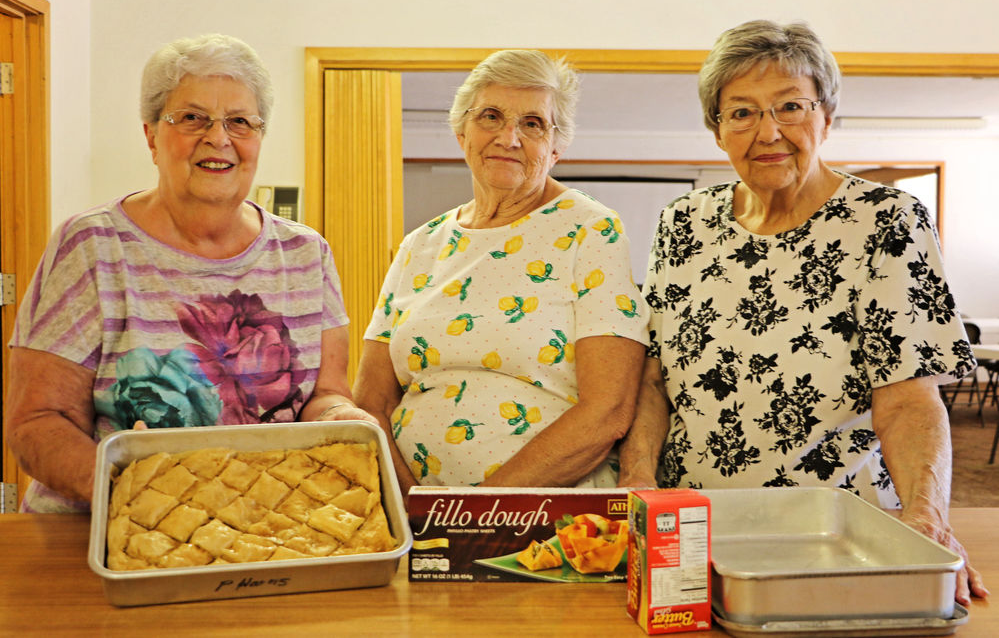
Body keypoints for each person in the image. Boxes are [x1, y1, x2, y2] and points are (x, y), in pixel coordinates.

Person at [617, 20, 988, 605]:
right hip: (690, 529)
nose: (768, 131)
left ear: (826, 116)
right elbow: (653, 375)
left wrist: (926, 517)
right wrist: (637, 482)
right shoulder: (683, 223)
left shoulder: (885, 221)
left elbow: (910, 397)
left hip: (837, 529)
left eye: (790, 106)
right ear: (717, 130)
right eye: (741, 112)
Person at [7, 33, 373, 513]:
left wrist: (346, 419)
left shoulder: (306, 252)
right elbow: (36, 421)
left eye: (240, 121)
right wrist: (128, 490)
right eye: (192, 118)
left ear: (259, 138)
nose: (218, 138)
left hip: (260, 527)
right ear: (151, 136)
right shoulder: (93, 246)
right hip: (105, 531)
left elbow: (324, 395)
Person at [354, 49, 649, 492]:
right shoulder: (420, 244)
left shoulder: (590, 228)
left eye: (532, 124)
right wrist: (415, 505)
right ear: (461, 133)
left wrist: (477, 512)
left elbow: (608, 410)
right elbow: (371, 402)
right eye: (490, 116)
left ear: (556, 148)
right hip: (420, 522)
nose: (509, 137)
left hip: (544, 515)